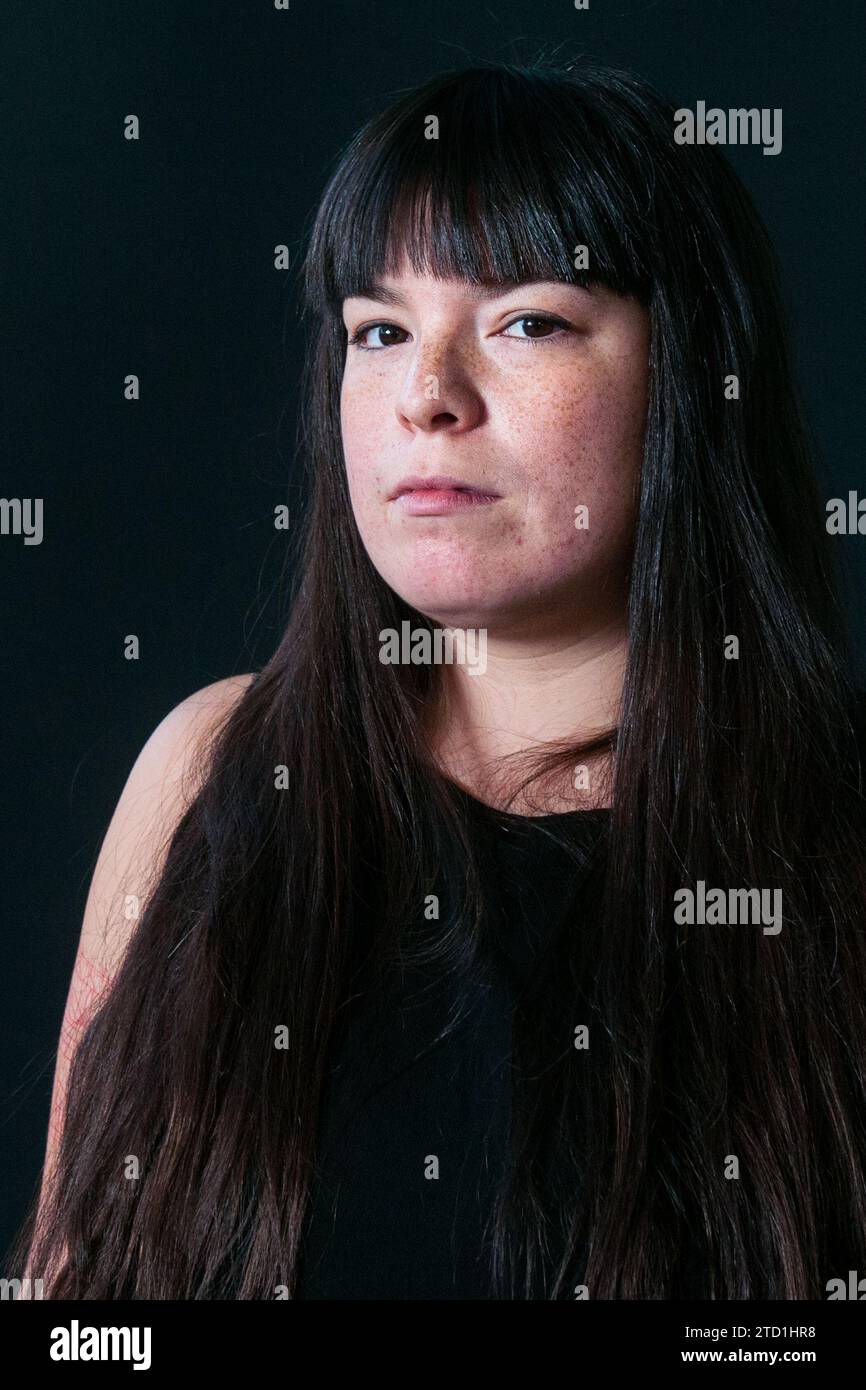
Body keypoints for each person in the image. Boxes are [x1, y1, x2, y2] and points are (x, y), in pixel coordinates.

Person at [11, 59, 866, 1300]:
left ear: (684, 374)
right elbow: (68, 1292)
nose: (426, 393)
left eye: (526, 320)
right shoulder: (209, 768)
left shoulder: (831, 832)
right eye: (379, 329)